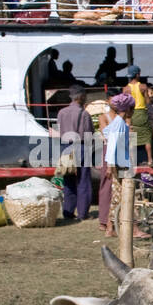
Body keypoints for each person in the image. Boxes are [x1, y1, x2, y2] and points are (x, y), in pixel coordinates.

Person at [57, 85, 95, 221]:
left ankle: (68, 211)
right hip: (81, 146)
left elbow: (59, 130)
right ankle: (83, 213)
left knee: (68, 179)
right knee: (83, 180)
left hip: (65, 147)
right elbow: (89, 133)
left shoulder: (61, 112)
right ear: (80, 97)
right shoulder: (84, 114)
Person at [100, 93, 134, 237]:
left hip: (119, 161)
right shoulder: (120, 123)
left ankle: (111, 226)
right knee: (123, 194)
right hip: (120, 162)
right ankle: (114, 227)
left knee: (117, 195)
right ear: (127, 109)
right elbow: (112, 143)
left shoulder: (117, 122)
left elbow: (106, 133)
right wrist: (110, 165)